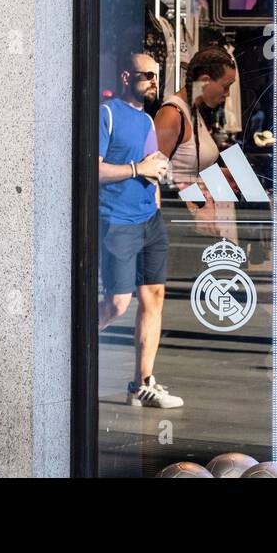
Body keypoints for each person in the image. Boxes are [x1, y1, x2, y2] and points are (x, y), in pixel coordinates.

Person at [97, 52, 180, 408]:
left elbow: (153, 167)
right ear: (126, 76)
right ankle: (67, 355)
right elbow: (94, 170)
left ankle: (142, 383)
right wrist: (136, 169)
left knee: (154, 297)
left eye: (156, 76)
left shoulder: (147, 121)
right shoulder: (108, 114)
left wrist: (156, 195)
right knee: (117, 303)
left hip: (148, 220)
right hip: (116, 220)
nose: (153, 82)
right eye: (147, 75)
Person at [154, 46, 239, 238]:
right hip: (179, 228)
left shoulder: (194, 111)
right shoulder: (172, 114)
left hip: (197, 224)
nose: (226, 95)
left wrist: (223, 175)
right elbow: (155, 176)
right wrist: (193, 212)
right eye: (226, 87)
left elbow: (185, 167)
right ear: (205, 81)